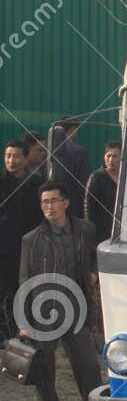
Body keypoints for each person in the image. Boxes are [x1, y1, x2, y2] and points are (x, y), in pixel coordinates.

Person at [16, 182, 106, 401]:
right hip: (43, 313)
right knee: (44, 371)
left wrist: (93, 273)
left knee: (88, 366)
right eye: (45, 202)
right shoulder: (31, 239)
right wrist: (23, 322)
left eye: (54, 201)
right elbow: (24, 279)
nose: (49, 207)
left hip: (77, 310)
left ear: (65, 202)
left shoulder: (85, 230)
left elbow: (94, 256)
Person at [1, 140, 43, 340]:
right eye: (8, 156)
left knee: (22, 290)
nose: (11, 160)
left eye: (16, 156)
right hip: (2, 246)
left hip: (25, 247)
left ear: (26, 158)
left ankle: (23, 332)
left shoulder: (35, 185)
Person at [47, 117, 91, 220]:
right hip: (73, 203)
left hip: (50, 204)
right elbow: (83, 183)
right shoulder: (79, 152)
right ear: (73, 129)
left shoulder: (46, 152)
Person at [86, 141, 121, 245]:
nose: (111, 160)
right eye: (108, 155)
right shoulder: (97, 177)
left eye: (115, 156)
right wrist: (91, 231)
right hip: (102, 231)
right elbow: (88, 206)